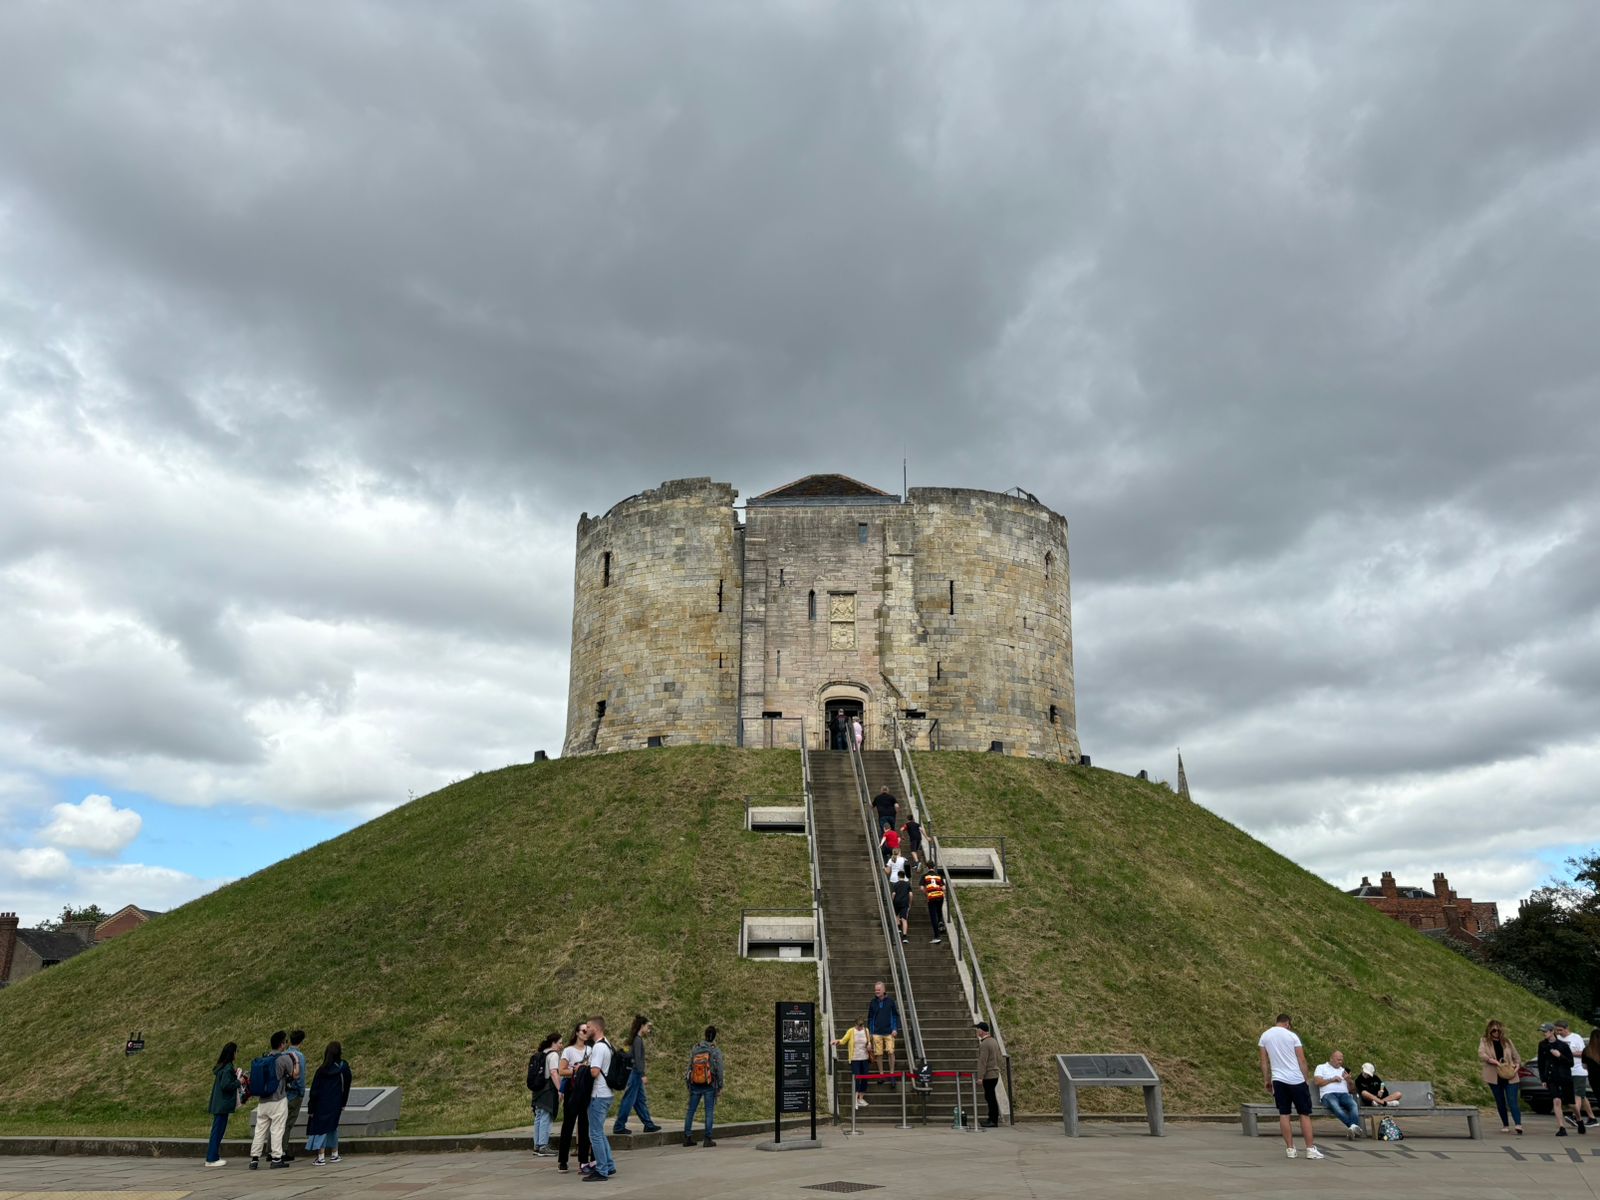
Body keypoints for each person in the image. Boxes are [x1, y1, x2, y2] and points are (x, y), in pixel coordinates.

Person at [1258, 1014, 1323, 1160]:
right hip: (1296, 1079)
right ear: (1287, 1023)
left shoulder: (1265, 1036)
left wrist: (1267, 1079)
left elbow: (1264, 1061)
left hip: (1278, 1079)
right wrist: (1305, 1079)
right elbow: (1302, 1059)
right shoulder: (1292, 1036)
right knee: (1304, 1114)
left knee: (1284, 1113)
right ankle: (1310, 1149)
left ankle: (1290, 1149)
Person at [249, 1030, 299, 1170]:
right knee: (277, 1129)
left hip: (263, 1100)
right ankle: (276, 1158)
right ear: (282, 1044)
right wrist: (295, 1061)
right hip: (278, 1098)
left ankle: (254, 1158)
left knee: (260, 1130)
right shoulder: (283, 1059)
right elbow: (294, 1075)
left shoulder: (264, 1058)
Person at [612, 1015, 662, 1135]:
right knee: (628, 1100)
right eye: (647, 1026)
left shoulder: (635, 1039)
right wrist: (642, 1074)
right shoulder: (638, 1040)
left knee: (640, 1101)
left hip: (634, 1073)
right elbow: (638, 1059)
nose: (648, 1029)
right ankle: (619, 1126)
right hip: (635, 1074)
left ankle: (648, 1124)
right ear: (641, 1026)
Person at [305, 1042, 352, 1166]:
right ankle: (334, 1153)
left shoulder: (321, 1070)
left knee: (321, 1128)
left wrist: (311, 1107)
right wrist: (343, 1103)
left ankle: (320, 1156)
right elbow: (346, 1086)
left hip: (321, 1103)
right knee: (333, 1126)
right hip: (336, 1102)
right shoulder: (343, 1067)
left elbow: (314, 1090)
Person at [557, 1021, 593, 1174]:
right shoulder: (569, 1051)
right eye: (583, 1031)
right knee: (568, 1125)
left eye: (587, 1031)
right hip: (573, 1090)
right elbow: (561, 1071)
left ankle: (584, 1161)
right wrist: (578, 1071)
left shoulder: (591, 1050)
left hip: (585, 1091)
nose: (586, 1033)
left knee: (585, 1125)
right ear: (577, 1033)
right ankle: (562, 1161)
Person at [585, 1015, 617, 1181]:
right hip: (607, 1093)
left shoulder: (598, 1047)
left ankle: (602, 1169)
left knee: (595, 1134)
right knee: (599, 1132)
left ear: (596, 1028)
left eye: (588, 1027)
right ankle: (609, 1165)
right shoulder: (608, 1044)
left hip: (599, 1094)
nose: (586, 1029)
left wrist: (583, 1068)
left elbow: (595, 1072)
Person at [1538, 1022, 1583, 1136]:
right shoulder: (1542, 1045)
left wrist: (1560, 1056)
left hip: (1564, 1077)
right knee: (1556, 1100)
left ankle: (1579, 1120)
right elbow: (1541, 1063)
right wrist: (1543, 1079)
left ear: (1552, 1031)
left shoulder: (1563, 1045)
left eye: (1545, 1031)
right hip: (1551, 1077)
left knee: (1571, 1104)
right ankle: (1561, 1128)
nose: (1543, 1034)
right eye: (1542, 1032)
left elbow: (1570, 1063)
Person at [683, 1025, 726, 1144]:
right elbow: (720, 1070)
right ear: (714, 1037)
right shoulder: (715, 1050)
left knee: (691, 1111)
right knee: (709, 1111)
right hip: (709, 1085)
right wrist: (720, 1086)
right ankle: (707, 1139)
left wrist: (688, 1083)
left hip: (695, 1084)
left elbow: (690, 1066)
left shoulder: (695, 1048)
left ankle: (687, 1137)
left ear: (705, 1035)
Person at [1478, 1020, 1522, 1134]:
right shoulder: (1484, 1041)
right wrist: (1491, 1060)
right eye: (1493, 1030)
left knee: (1512, 1100)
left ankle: (1518, 1124)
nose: (1496, 1032)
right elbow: (1481, 1053)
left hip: (1509, 1074)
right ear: (1489, 1030)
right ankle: (1505, 1124)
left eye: (1498, 1030)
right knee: (1500, 1101)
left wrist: (1517, 1066)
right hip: (1494, 1075)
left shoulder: (1507, 1042)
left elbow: (1516, 1056)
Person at [205, 1041, 242, 1167]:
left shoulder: (223, 1067)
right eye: (236, 1052)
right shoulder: (227, 1068)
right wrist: (239, 1081)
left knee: (217, 1130)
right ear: (232, 1053)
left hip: (219, 1104)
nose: (237, 1054)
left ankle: (213, 1156)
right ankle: (211, 1158)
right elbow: (226, 1085)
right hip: (223, 1105)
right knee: (218, 1131)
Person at [1311, 1050, 1363, 1138]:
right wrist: (1332, 1079)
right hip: (1328, 1095)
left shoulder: (1343, 1071)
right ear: (1331, 1059)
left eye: (1341, 1060)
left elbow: (1352, 1090)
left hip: (1344, 1095)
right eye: (1338, 1060)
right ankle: (1353, 1126)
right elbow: (1317, 1082)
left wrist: (1349, 1080)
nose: (1340, 1062)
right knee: (1336, 1107)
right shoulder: (1321, 1067)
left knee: (1353, 1104)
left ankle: (1352, 1128)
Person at [531, 1032, 562, 1157]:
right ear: (553, 1043)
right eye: (560, 1043)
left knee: (538, 1116)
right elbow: (554, 1073)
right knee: (546, 1116)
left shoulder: (542, 1053)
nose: (561, 1045)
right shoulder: (553, 1055)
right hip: (548, 1090)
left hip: (538, 1089)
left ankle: (537, 1145)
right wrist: (560, 1089)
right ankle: (543, 1146)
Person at [1558, 1021, 1595, 1125]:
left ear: (1566, 1029)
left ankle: (1575, 1117)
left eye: (1560, 1030)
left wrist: (1569, 1053)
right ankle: (1592, 1118)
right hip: (1567, 1071)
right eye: (1557, 1030)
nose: (1559, 1032)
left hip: (1579, 1070)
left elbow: (1584, 1053)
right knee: (1582, 1096)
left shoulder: (1576, 1038)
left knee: (1577, 1095)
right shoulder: (1559, 1039)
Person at [867, 981, 902, 1084]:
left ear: (884, 990)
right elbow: (870, 1018)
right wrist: (871, 1032)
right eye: (875, 990)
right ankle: (881, 1074)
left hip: (889, 1032)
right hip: (877, 1032)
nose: (876, 991)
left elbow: (895, 1016)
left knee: (891, 1052)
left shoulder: (891, 1001)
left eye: (878, 990)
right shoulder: (873, 1002)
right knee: (879, 1054)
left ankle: (891, 1074)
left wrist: (895, 1028)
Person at [834, 1019, 870, 1109]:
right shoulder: (851, 1031)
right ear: (855, 1024)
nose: (860, 1027)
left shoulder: (866, 1030)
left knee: (865, 1077)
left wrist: (869, 1045)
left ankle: (861, 1098)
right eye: (858, 1026)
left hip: (865, 1058)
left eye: (861, 1026)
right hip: (855, 1058)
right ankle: (855, 1099)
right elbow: (844, 1040)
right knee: (857, 1078)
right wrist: (837, 1041)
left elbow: (869, 1041)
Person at [284, 1030, 308, 1157]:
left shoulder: (284, 1054)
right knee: (288, 1123)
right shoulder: (299, 1056)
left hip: (282, 1094)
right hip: (294, 1094)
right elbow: (300, 1077)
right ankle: (283, 1149)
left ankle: (271, 1149)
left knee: (278, 1123)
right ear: (301, 1041)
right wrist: (301, 1092)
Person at [975, 1022, 1002, 1127]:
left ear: (981, 1031)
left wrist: (980, 1077)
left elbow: (982, 1062)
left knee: (990, 1098)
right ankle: (991, 1118)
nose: (976, 1032)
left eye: (977, 1030)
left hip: (989, 1075)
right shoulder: (993, 1041)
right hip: (995, 1073)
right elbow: (999, 1058)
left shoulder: (985, 1044)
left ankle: (993, 1120)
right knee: (990, 1097)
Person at [921, 864, 947, 943]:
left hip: (932, 896)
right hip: (940, 896)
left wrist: (927, 894)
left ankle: (937, 936)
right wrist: (943, 895)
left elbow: (922, 888)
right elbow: (944, 887)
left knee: (933, 916)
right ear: (934, 867)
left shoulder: (925, 876)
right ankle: (941, 923)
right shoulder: (939, 876)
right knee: (939, 910)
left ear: (927, 867)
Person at [890, 869, 912, 943]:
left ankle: (898, 928)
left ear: (898, 876)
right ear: (904, 876)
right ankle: (905, 936)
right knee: (904, 919)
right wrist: (910, 903)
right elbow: (911, 894)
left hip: (897, 902)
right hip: (904, 902)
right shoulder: (907, 884)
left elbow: (893, 894)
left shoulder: (895, 884)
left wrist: (891, 901)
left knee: (896, 915)